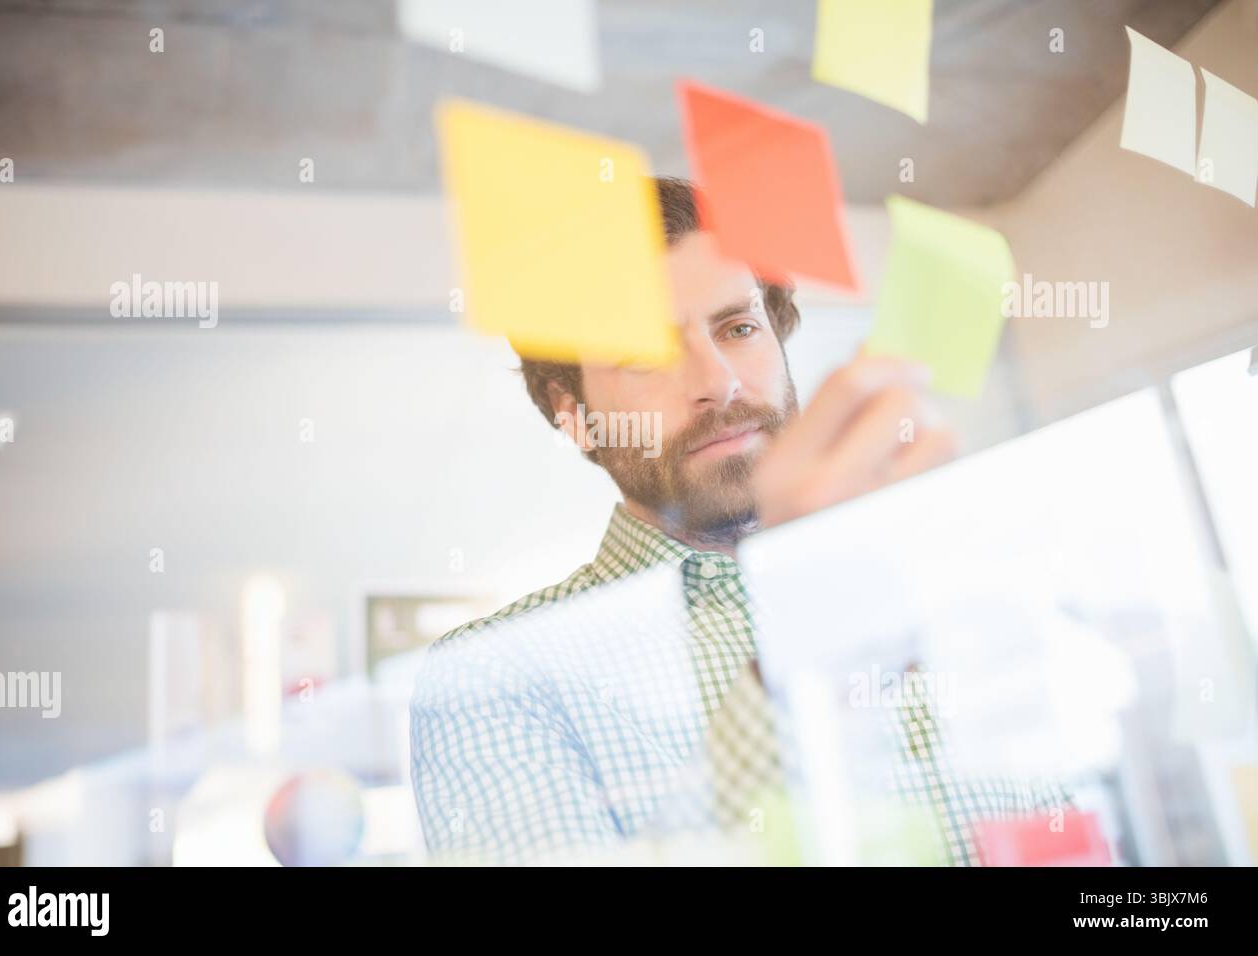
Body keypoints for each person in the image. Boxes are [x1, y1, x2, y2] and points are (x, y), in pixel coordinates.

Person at [410, 177, 1067, 865]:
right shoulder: (494, 675)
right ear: (574, 415)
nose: (718, 381)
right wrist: (810, 628)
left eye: (739, 328)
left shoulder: (949, 580)